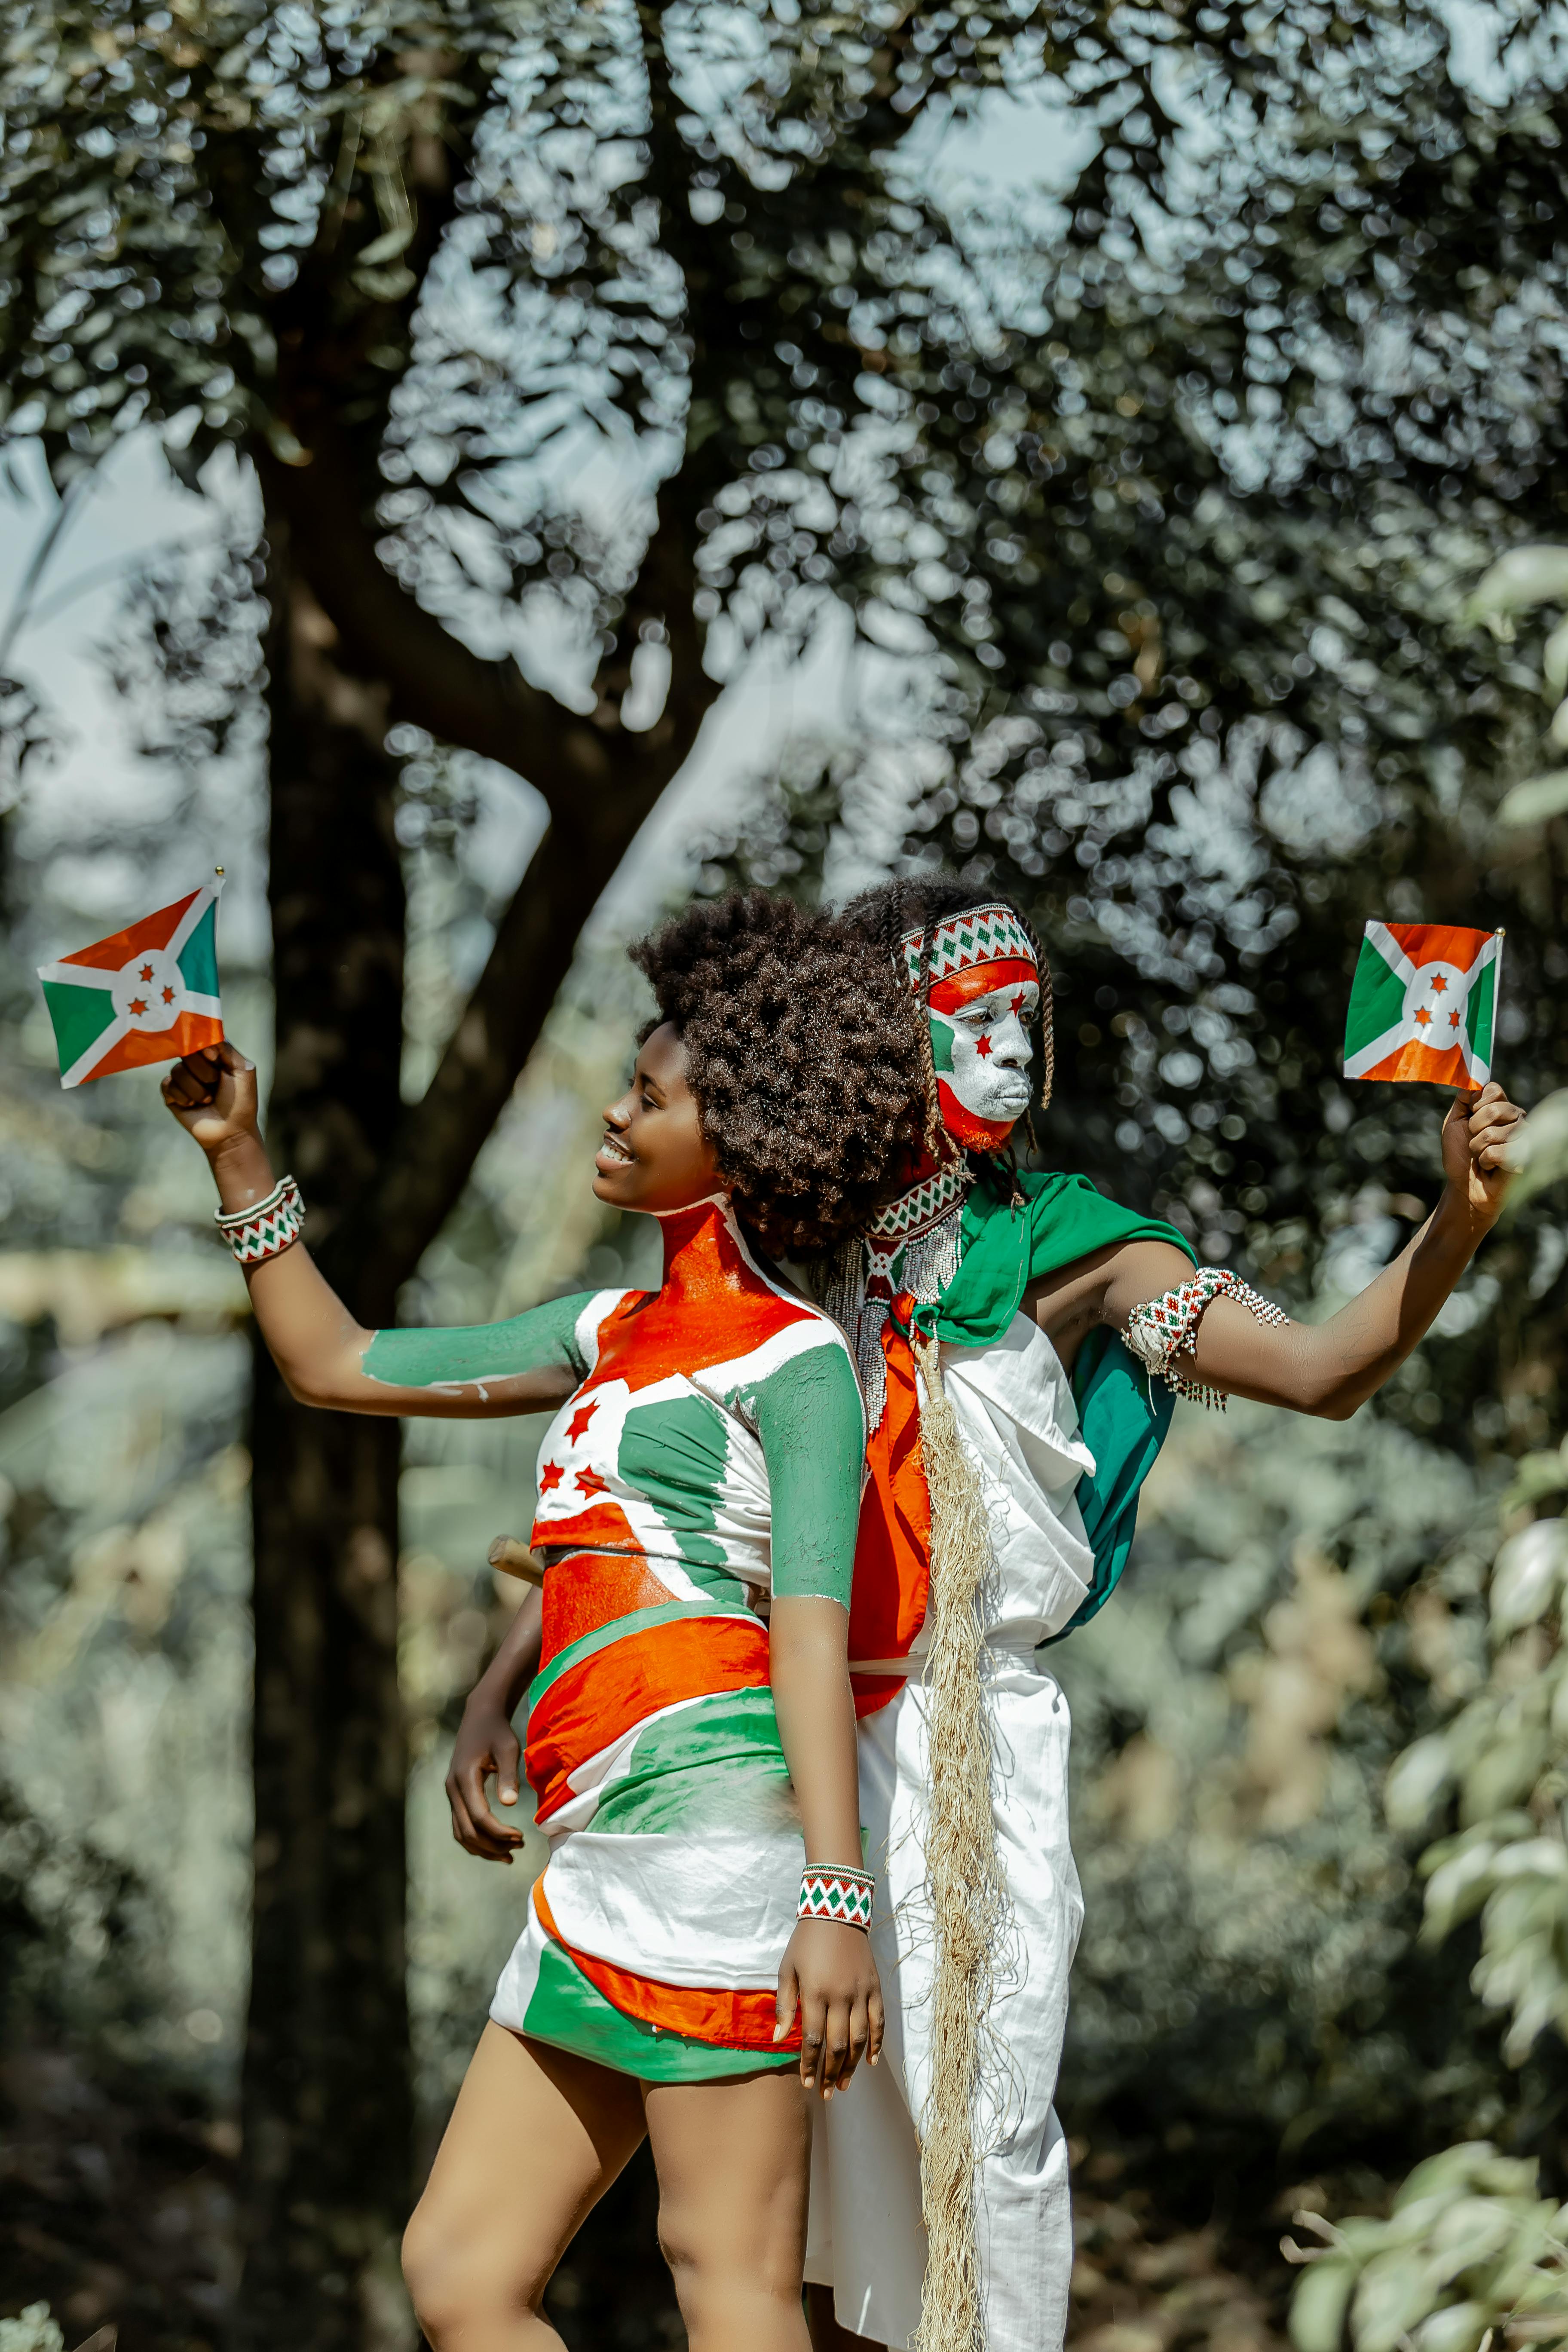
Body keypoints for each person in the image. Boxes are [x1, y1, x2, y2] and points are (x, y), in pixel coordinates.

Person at [160, 891, 928, 2352]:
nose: (618, 1114)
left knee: (732, 2284)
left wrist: (836, 1902)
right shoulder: (598, 1333)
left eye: (652, 1097)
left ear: (746, 1142)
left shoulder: (801, 1370)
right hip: (590, 1885)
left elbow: (812, 1643)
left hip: (731, 1882)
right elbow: (337, 1363)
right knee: (458, 2273)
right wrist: (239, 1157)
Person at [798, 878, 1525, 2352]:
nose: (1011, 1051)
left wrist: (1459, 1215)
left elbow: (1325, 1368)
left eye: (1027, 1020)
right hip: (784, 1729)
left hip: (968, 1750)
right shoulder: (792, 1244)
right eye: (972, 1021)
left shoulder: (1086, 1246)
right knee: (800, 2172)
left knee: (985, 2128)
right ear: (886, 1040)